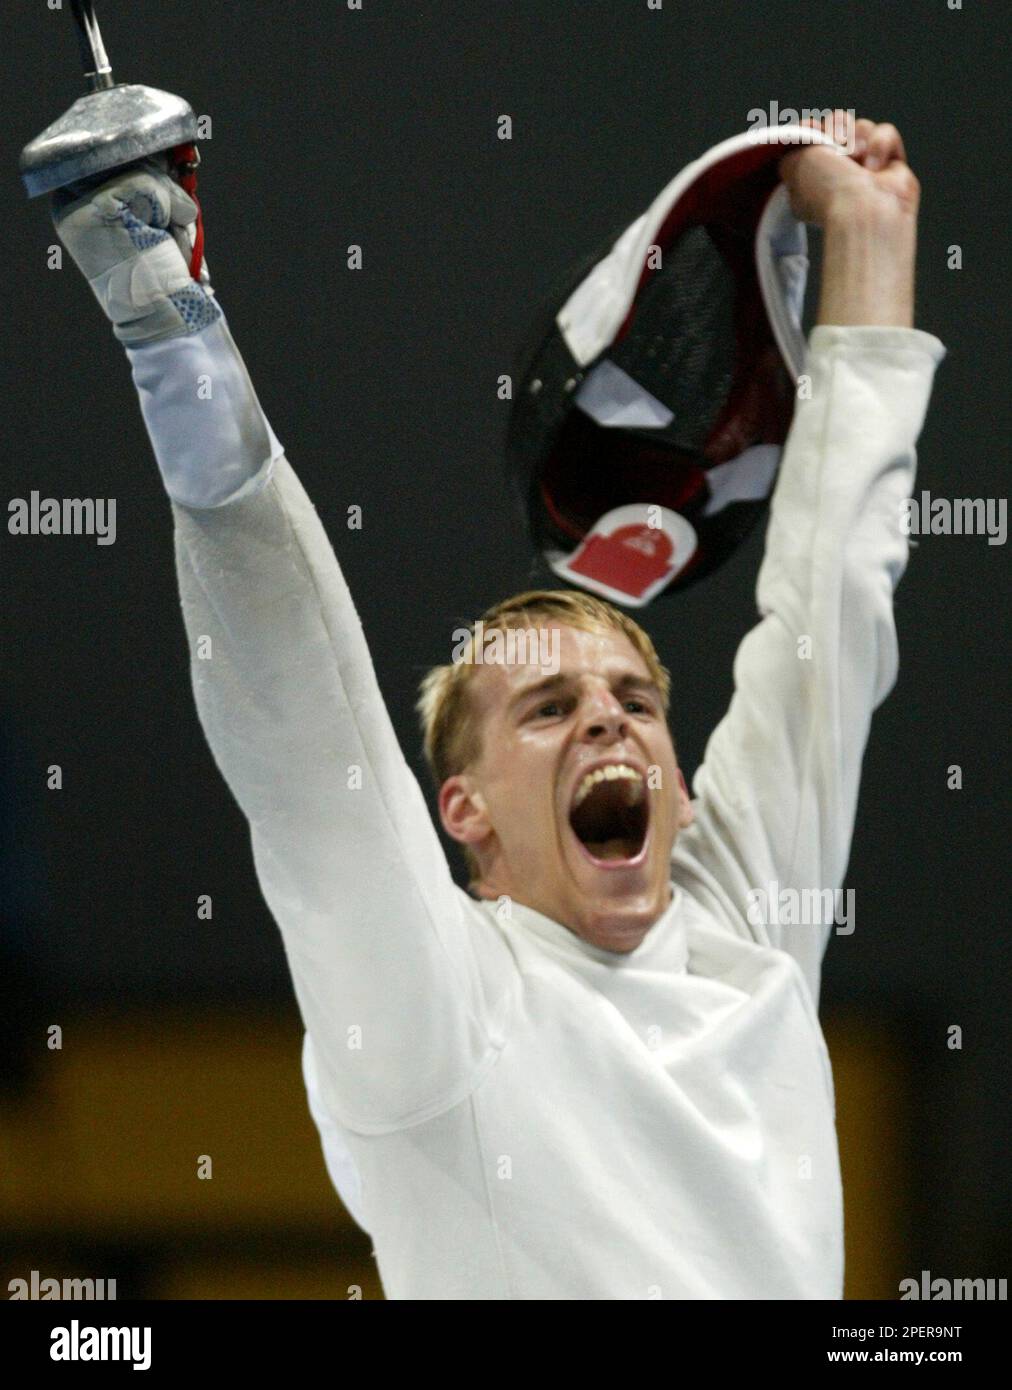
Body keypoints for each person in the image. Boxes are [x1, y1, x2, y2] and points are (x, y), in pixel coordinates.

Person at [50, 112, 944, 1299]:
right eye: (547, 707)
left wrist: (873, 246)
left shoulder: (745, 925)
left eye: (632, 697)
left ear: (678, 783)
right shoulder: (440, 1016)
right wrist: (163, 314)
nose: (607, 721)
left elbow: (833, 598)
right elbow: (306, 739)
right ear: (461, 810)